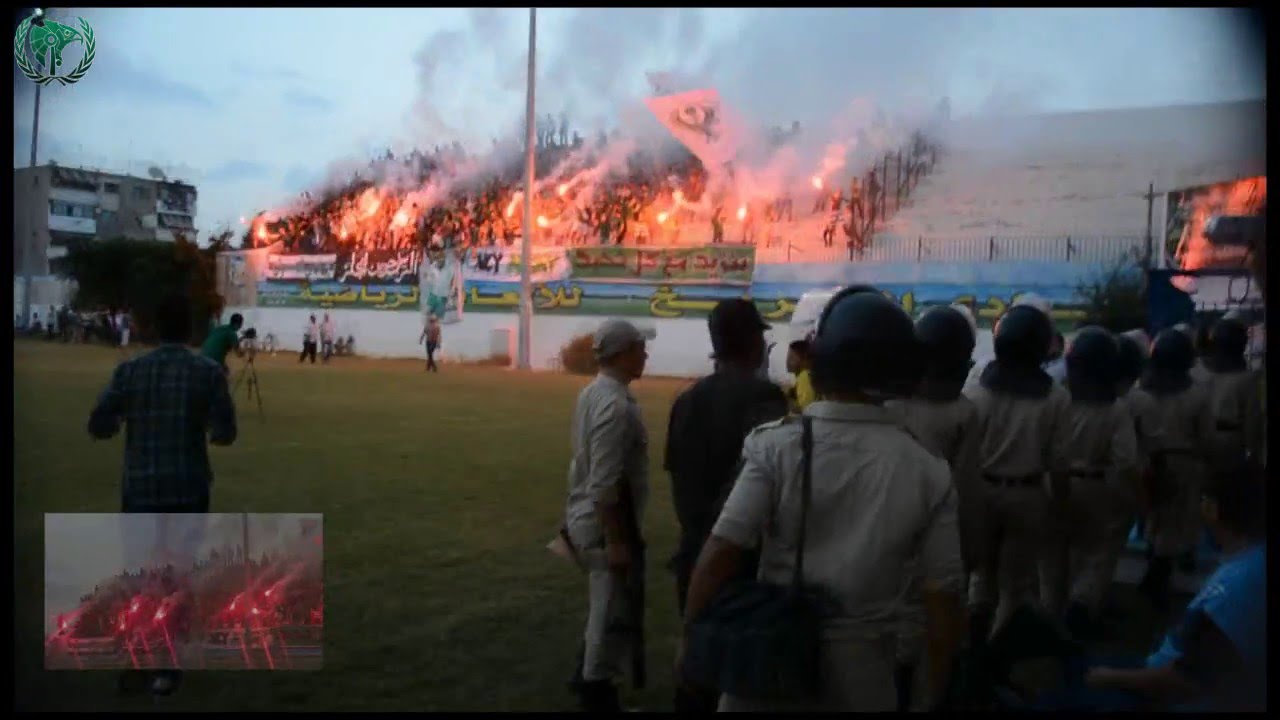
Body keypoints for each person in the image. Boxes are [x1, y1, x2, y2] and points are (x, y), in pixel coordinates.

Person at [679, 290, 966, 712]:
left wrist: (689, 639)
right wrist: (929, 695)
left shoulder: (775, 446)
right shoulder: (928, 468)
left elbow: (722, 550)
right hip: (865, 673)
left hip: (771, 661)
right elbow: (943, 597)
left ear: (823, 359)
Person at [87, 291, 236, 697]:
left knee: (139, 575)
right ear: (189, 330)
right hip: (187, 488)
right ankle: (168, 667)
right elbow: (225, 433)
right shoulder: (207, 373)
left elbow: (99, 424)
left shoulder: (130, 372)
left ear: (152, 329)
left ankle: (137, 658)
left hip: (141, 489)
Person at [1032, 463, 1266, 712]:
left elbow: (1187, 681)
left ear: (1212, 509)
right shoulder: (1250, 563)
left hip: (1168, 695)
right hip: (1166, 669)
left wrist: (1110, 677)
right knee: (1073, 664)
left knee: (1060, 696)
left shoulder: (1236, 588)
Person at [664, 299, 788, 713]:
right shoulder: (766, 398)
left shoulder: (686, 399)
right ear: (754, 343)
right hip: (740, 559)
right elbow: (764, 482)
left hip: (693, 549)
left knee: (697, 664)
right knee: (738, 676)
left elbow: (678, 476)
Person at [885, 304, 983, 711]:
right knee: (938, 615)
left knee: (899, 617)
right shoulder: (964, 411)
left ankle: (901, 687)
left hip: (892, 518)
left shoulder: (892, 406)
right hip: (939, 521)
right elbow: (966, 484)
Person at [963, 303, 1072, 644]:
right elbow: (1059, 462)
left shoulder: (976, 386)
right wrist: (1061, 506)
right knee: (1015, 585)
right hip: (1027, 495)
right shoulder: (1056, 397)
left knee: (981, 576)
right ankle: (996, 656)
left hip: (981, 490)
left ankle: (972, 647)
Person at [562, 319, 651, 712]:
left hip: (589, 514)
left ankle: (589, 680)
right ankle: (595, 693)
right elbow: (604, 483)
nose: (645, 354)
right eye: (638, 347)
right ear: (621, 354)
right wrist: (616, 540)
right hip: (604, 522)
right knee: (608, 610)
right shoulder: (614, 406)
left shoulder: (593, 393)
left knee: (607, 607)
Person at [1037, 327, 1139, 638]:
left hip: (1052, 483)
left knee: (1051, 557)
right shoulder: (1115, 409)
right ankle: (1082, 605)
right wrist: (1127, 498)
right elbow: (1126, 462)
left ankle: (1050, 619)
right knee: (1096, 553)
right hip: (1095, 487)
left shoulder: (1055, 397)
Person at [1136, 329, 1213, 611]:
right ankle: (1157, 578)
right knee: (1176, 522)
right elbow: (1205, 435)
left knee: (1154, 518)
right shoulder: (1197, 394)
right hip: (1184, 463)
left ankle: (1153, 571)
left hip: (1147, 462)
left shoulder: (1141, 390)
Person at [785, 339, 816, 412]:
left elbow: (806, 409)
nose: (787, 361)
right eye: (788, 357)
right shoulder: (807, 376)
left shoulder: (804, 377)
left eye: (791, 358)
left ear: (805, 359)